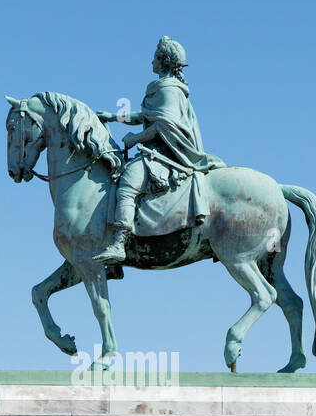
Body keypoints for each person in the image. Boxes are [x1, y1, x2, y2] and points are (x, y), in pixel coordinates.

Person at [93, 36, 224, 263]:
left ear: (163, 60)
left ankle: (119, 244)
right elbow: (146, 116)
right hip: (158, 150)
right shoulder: (164, 87)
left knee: (126, 185)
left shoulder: (169, 89)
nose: (150, 61)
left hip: (167, 154)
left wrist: (136, 138)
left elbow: (163, 125)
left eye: (154, 57)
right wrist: (113, 116)